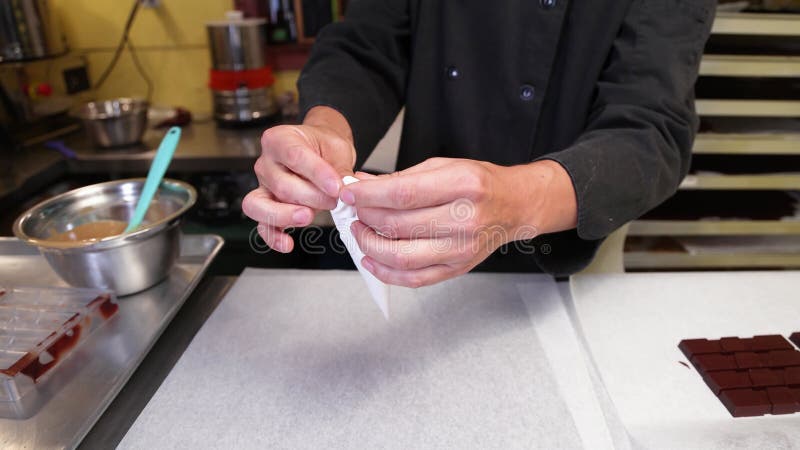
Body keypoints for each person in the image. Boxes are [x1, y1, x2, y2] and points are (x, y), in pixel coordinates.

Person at [242, 0, 716, 287]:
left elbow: (652, 128)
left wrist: (521, 200)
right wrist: (327, 129)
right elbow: (366, 44)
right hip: (419, 260)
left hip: (570, 270)